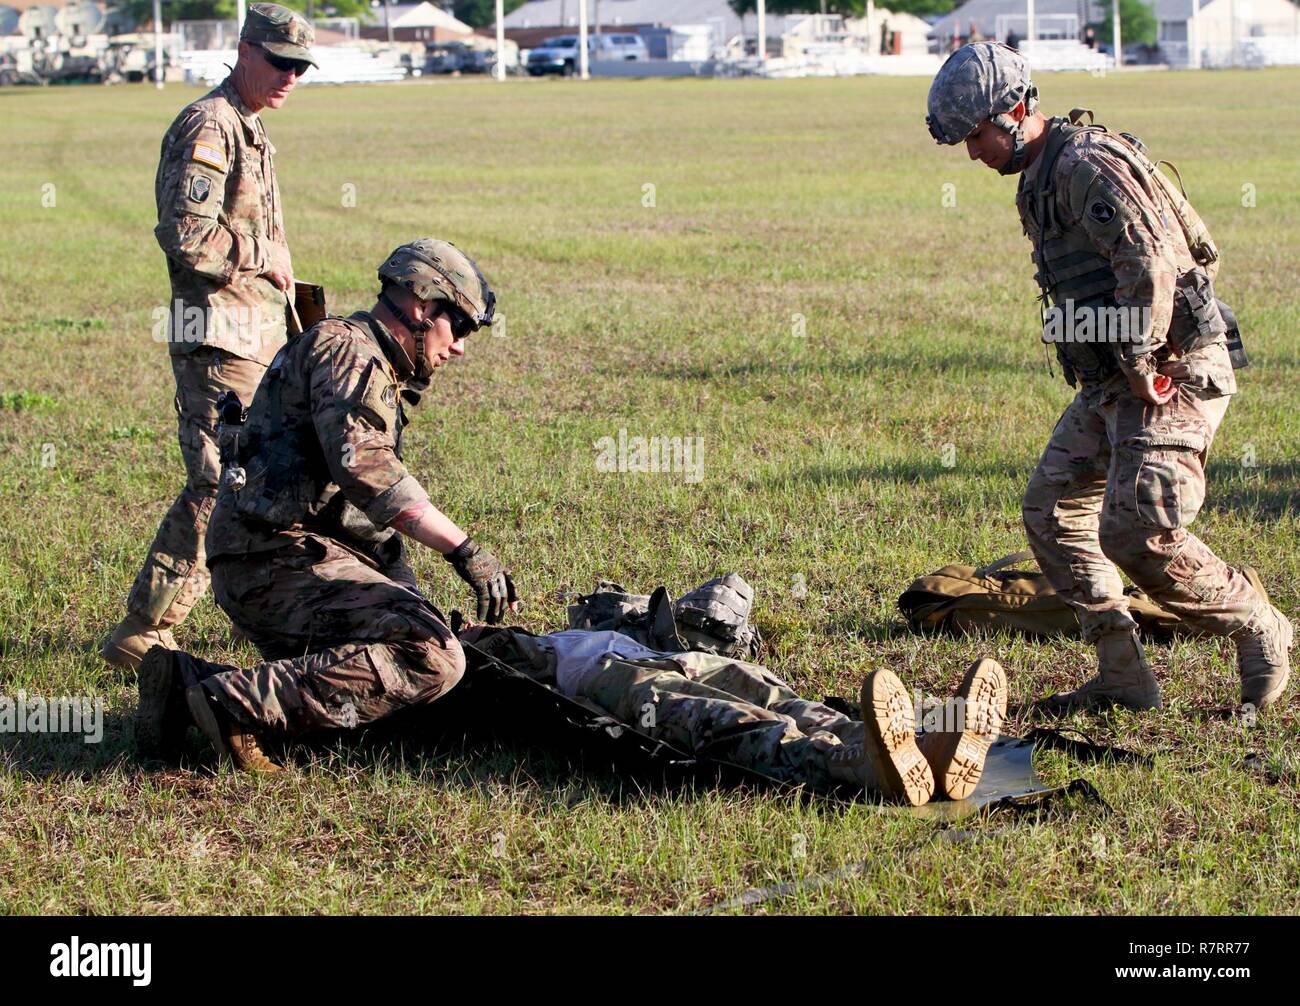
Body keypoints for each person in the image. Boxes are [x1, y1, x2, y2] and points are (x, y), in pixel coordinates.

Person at [925, 42, 1292, 714]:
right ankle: (1125, 677)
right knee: (1053, 512)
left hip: (1171, 369)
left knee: (1136, 532)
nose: (973, 154)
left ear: (1014, 112)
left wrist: (1143, 364)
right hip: (1116, 380)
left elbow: (1152, 266)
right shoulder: (1041, 175)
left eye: (976, 136)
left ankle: (1257, 623)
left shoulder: (1087, 165)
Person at [135, 239, 517, 772]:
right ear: (423, 307)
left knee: (398, 700)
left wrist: (408, 598)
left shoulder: (366, 357)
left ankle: (189, 685)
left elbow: (364, 522)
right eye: (459, 328)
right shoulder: (350, 354)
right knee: (433, 657)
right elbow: (368, 472)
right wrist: (465, 551)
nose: (458, 349)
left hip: (276, 557)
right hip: (273, 560)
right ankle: (234, 705)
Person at [102, 4, 318, 672]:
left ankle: (275, 608)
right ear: (245, 50)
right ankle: (147, 625)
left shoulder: (248, 127)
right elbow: (186, 235)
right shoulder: (209, 124)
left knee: (264, 472)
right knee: (221, 479)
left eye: (300, 68)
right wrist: (264, 253)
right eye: (279, 62)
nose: (289, 77)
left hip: (253, 331)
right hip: (215, 334)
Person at [466, 625, 1009, 807]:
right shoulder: (486, 654)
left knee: (777, 696)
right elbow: (482, 678)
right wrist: (471, 637)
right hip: (609, 684)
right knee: (727, 719)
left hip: (663, 653)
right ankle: (856, 764)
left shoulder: (577, 622)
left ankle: (922, 747)